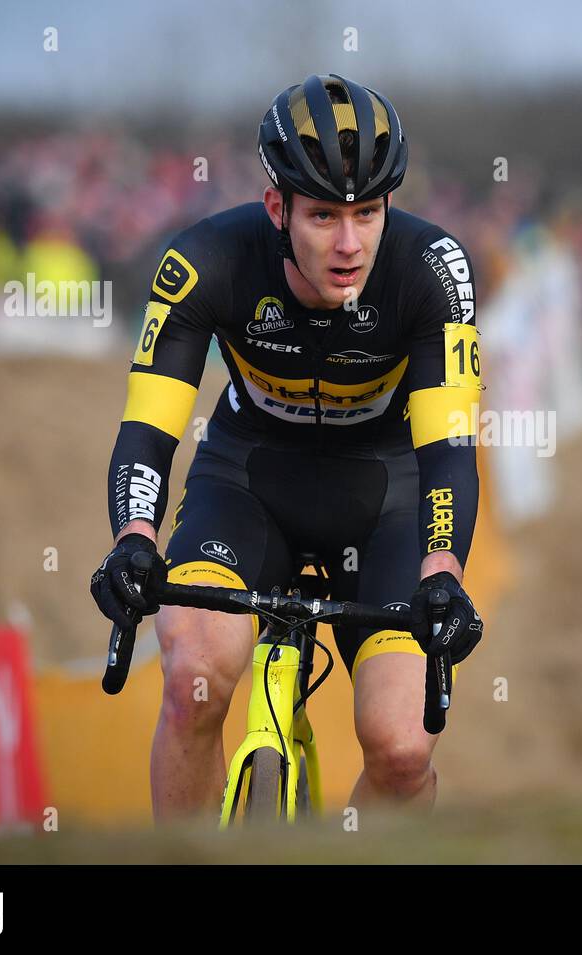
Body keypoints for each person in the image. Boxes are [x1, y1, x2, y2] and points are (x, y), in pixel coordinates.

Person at [89, 74, 484, 818]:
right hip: (247, 481)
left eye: (368, 213)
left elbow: (450, 450)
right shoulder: (206, 260)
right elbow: (148, 426)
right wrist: (134, 538)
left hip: (386, 496)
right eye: (324, 215)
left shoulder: (433, 269)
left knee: (401, 747)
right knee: (193, 678)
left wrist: (442, 571)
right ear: (277, 207)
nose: (348, 242)